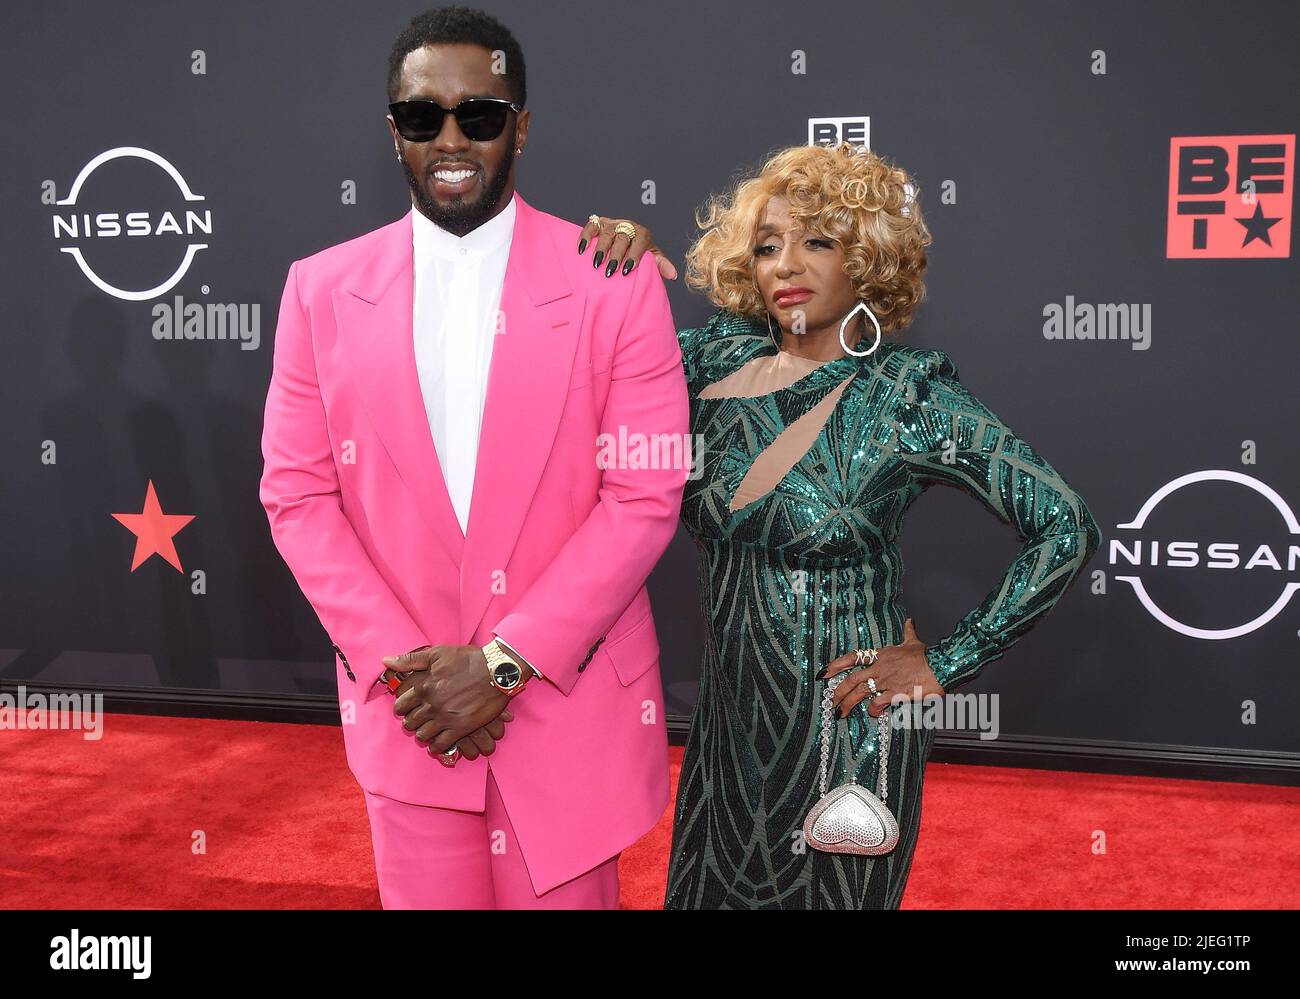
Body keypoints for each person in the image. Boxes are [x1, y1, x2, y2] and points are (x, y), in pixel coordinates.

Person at [581, 141, 1103, 908]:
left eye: (817, 241)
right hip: (729, 726)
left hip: (848, 732)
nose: (785, 264)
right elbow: (576, 366)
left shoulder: (907, 397)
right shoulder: (701, 362)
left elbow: (1066, 527)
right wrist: (614, 263)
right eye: (767, 245)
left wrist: (946, 662)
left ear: (866, 259)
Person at [259, 6, 688, 909]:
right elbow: (298, 496)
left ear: (520, 127)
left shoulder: (612, 280)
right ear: (393, 132)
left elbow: (644, 495)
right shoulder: (320, 290)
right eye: (422, 116)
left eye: (480, 114)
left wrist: (499, 665)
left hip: (563, 711)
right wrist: (406, 667)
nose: (450, 138)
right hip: (411, 714)